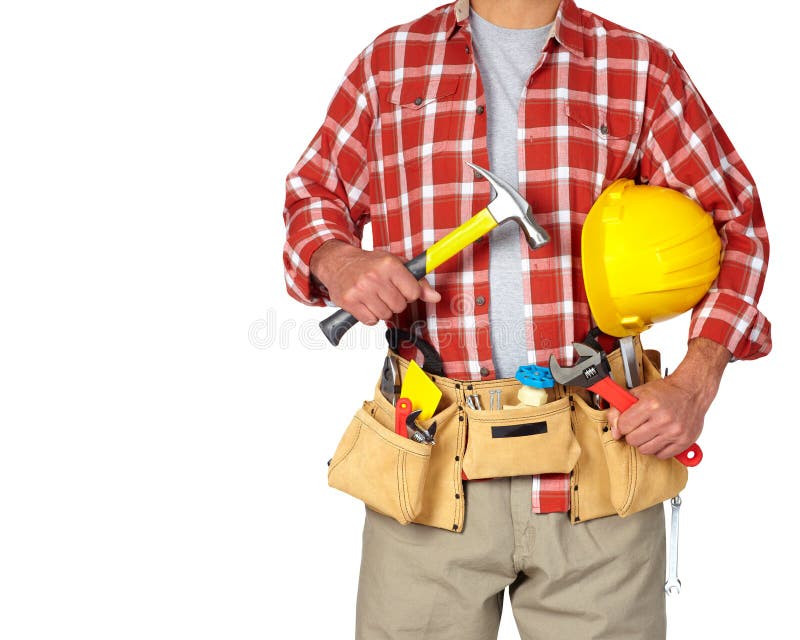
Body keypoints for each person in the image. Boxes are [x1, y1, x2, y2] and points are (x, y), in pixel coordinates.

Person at [283, 0, 771, 637]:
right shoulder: (390, 63)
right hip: (428, 465)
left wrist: (694, 383)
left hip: (600, 465)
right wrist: (337, 258)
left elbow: (736, 224)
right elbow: (312, 195)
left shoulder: (639, 67)